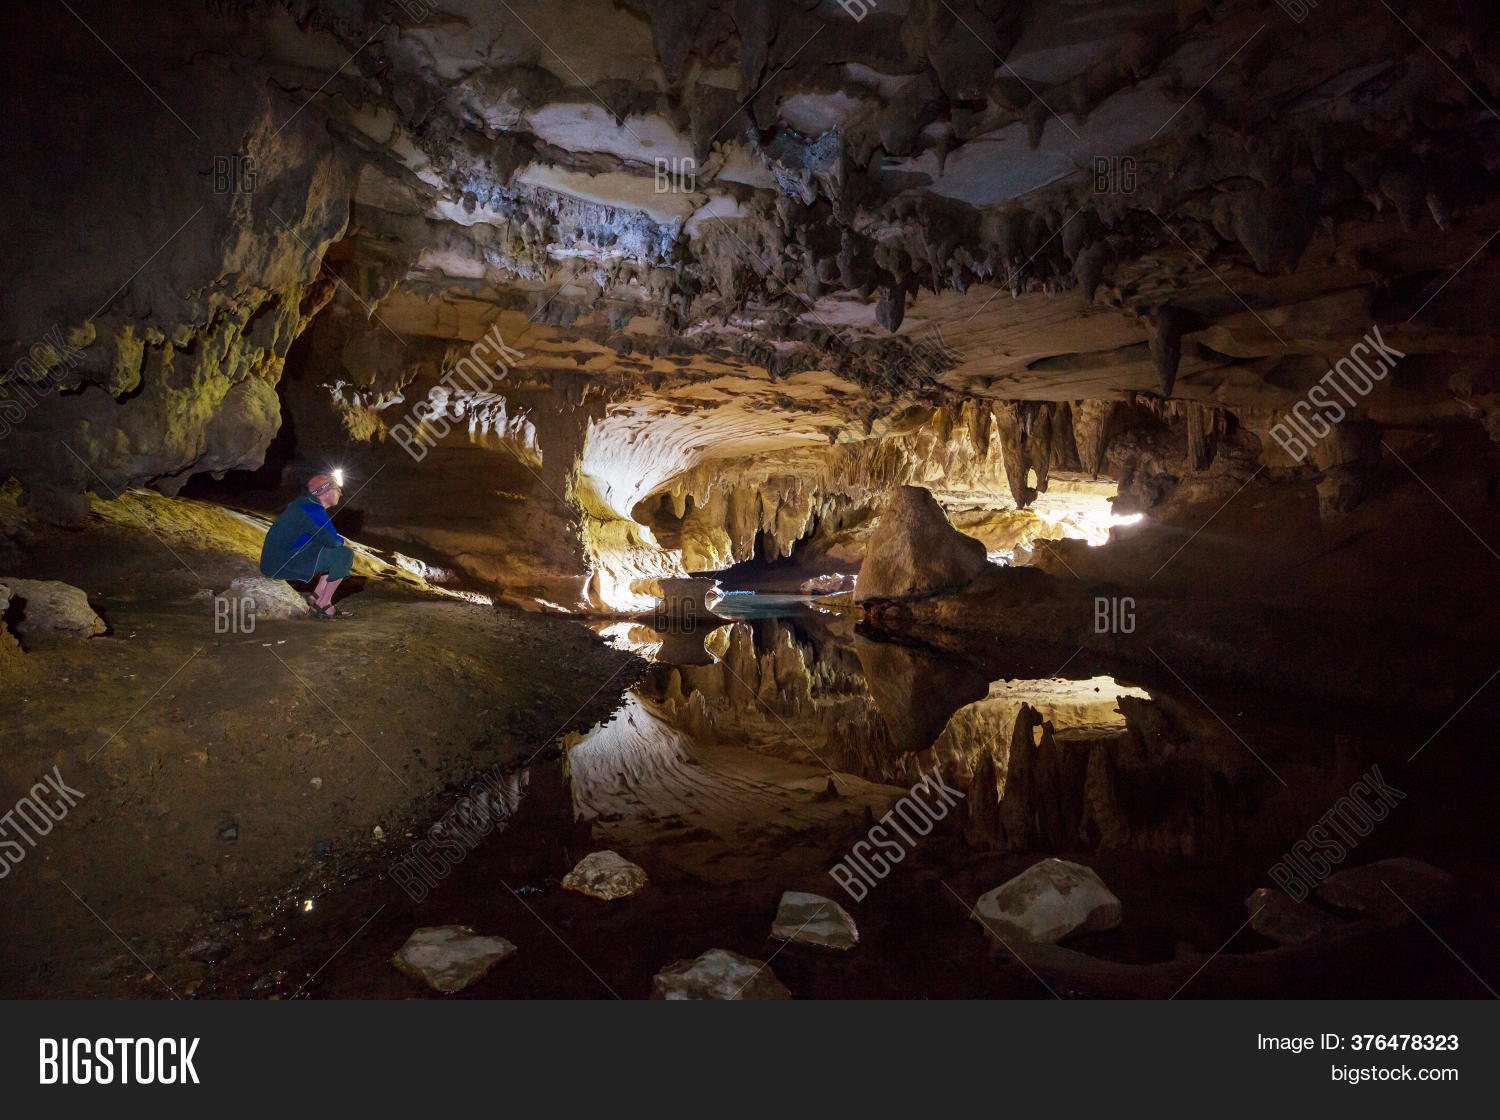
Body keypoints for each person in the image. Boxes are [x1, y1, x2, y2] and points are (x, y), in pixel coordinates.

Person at [259, 472, 355, 619]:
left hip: (274, 562)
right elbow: (333, 541)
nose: (340, 494)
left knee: (331, 551)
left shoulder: (304, 505)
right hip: (280, 565)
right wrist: (343, 543)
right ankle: (324, 604)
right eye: (337, 489)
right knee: (345, 554)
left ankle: (316, 597)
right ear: (325, 491)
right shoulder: (313, 510)